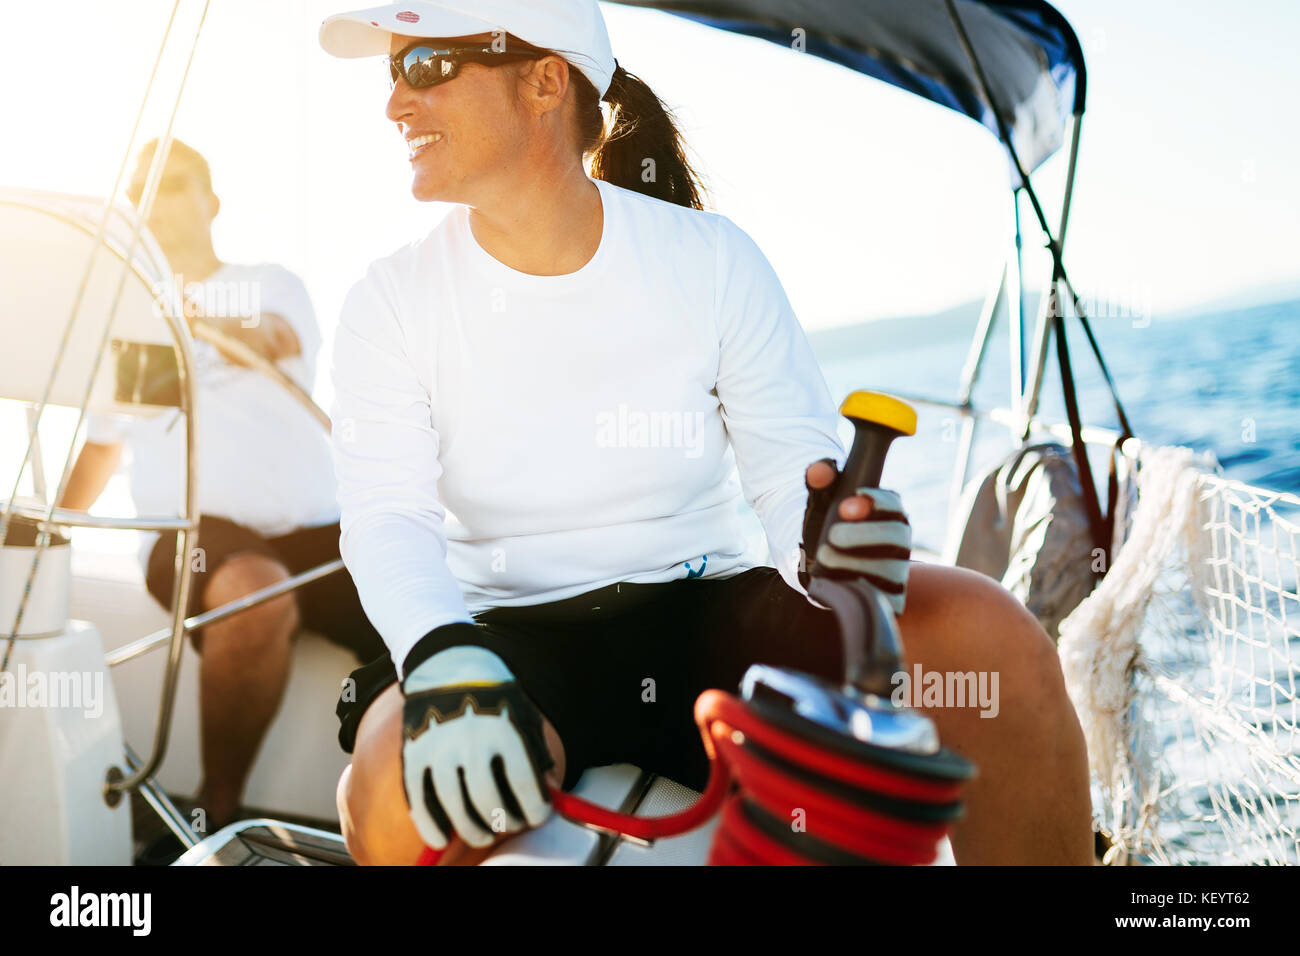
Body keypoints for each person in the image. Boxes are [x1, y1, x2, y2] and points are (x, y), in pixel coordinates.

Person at [320, 0, 1093, 866]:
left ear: (544, 80)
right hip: (502, 633)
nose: (395, 102)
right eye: (392, 73)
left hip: (705, 614)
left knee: (993, 645)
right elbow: (388, 516)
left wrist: (829, 538)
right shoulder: (388, 301)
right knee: (389, 788)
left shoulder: (713, 258)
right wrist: (439, 651)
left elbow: (788, 481)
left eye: (424, 66)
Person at [62, 138, 385, 851]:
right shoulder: (132, 330)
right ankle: (216, 816)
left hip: (317, 530)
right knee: (254, 591)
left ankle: (401, 822)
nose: (158, 204)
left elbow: (274, 337)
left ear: (212, 201)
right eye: (142, 191)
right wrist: (40, 538)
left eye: (175, 185)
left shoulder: (269, 282)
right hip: (195, 537)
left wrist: (196, 316)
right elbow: (102, 446)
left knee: (421, 612)